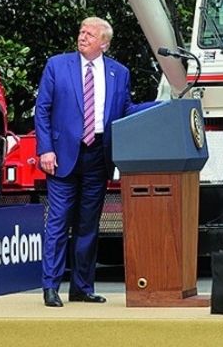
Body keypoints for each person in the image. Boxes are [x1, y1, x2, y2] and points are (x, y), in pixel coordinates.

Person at [35, 16, 151, 307]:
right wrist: (45, 150)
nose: (83, 36)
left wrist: (164, 104)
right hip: (62, 157)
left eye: (90, 34)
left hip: (98, 155)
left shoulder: (119, 73)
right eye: (81, 32)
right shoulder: (57, 65)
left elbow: (126, 110)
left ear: (104, 43)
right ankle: (51, 287)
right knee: (58, 223)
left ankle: (82, 287)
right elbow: (42, 110)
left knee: (88, 226)